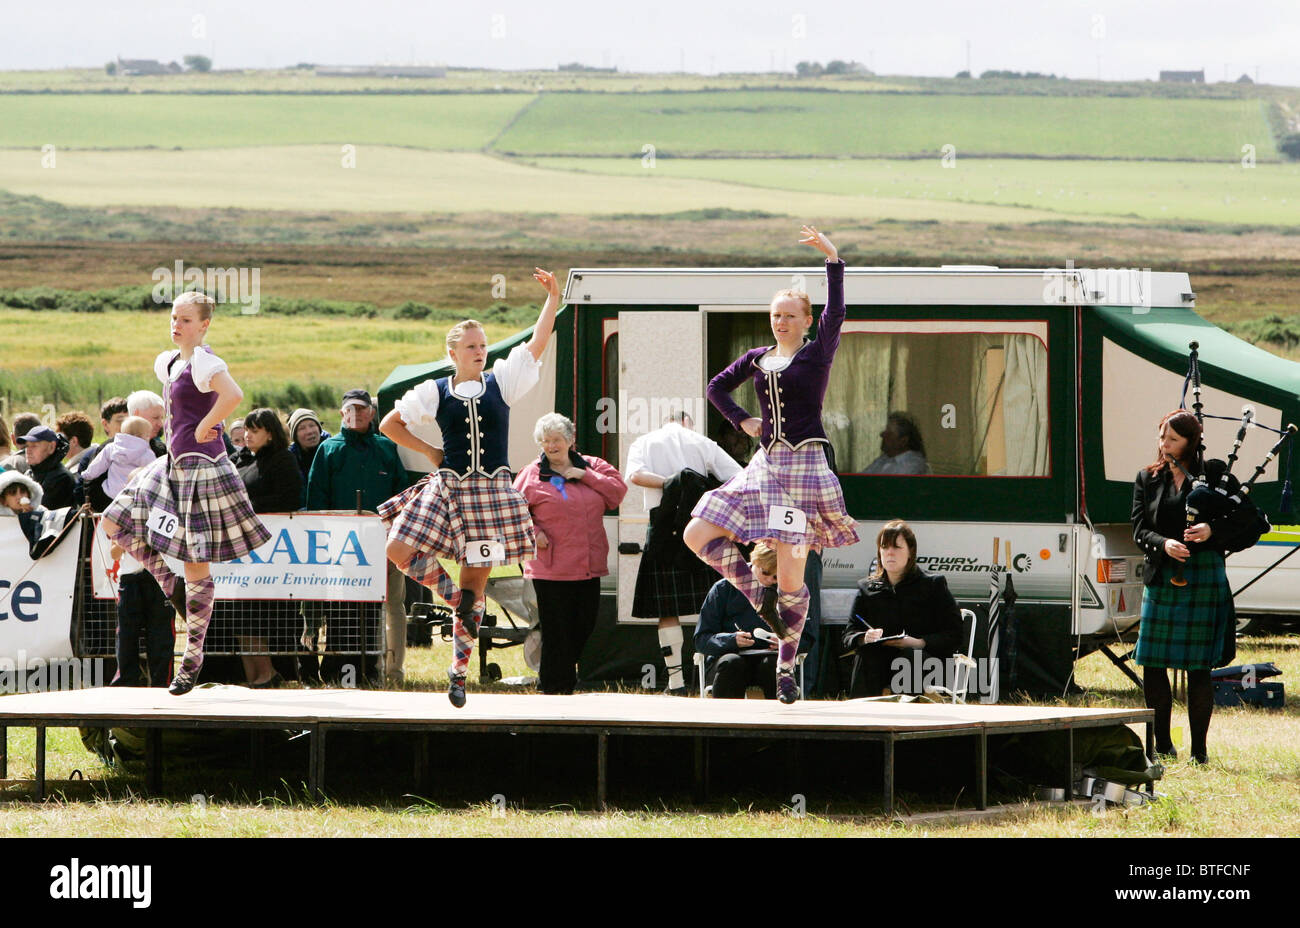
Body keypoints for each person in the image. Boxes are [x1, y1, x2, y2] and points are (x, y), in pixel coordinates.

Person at [684, 225, 860, 704]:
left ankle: (786, 671)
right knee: (697, 533)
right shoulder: (758, 359)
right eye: (775, 315)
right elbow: (715, 388)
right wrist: (742, 420)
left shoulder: (816, 353)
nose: (781, 322)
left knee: (791, 580)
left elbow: (838, 311)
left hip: (804, 469)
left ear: (805, 321)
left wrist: (833, 259)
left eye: (790, 315)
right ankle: (753, 595)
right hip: (765, 466)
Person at [379, 268, 560, 708]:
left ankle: (457, 674)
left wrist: (551, 300)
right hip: (448, 489)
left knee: (476, 586)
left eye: (482, 345)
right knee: (397, 549)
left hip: (492, 496)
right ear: (453, 352)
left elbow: (536, 346)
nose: (480, 351)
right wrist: (431, 452)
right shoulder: (435, 390)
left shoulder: (502, 380)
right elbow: (390, 424)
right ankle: (456, 598)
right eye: (472, 346)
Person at [100, 291, 272, 696]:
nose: (177, 325)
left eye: (187, 320)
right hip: (173, 465)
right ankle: (166, 580)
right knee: (112, 521)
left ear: (205, 324)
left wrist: (205, 425)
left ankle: (191, 661)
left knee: (197, 566)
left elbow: (233, 395)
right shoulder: (170, 361)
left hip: (202, 468)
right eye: (174, 318)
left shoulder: (206, 362)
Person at [1132, 409, 1263, 766]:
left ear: (1191, 442)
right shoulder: (1148, 478)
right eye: (1162, 437)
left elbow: (1251, 520)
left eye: (1172, 439)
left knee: (1198, 667)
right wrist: (1163, 544)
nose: (1164, 444)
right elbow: (1139, 529)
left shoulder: (1214, 475)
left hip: (1203, 573)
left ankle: (1199, 752)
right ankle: (1161, 745)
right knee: (1153, 665)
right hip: (1162, 576)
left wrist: (1211, 532)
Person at [626, 410, 742, 694]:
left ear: (665, 421)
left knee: (666, 609)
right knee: (711, 599)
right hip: (701, 526)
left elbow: (635, 476)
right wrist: (697, 487)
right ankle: (711, 676)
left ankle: (676, 682)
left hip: (662, 528)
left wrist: (670, 483)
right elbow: (738, 477)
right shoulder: (701, 442)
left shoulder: (645, 441)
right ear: (687, 423)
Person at [513, 413, 627, 694]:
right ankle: (555, 688)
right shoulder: (531, 474)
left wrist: (585, 476)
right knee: (556, 631)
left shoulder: (593, 466)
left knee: (584, 625)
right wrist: (534, 532)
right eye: (546, 441)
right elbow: (514, 512)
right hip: (550, 567)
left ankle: (559, 678)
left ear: (570, 441)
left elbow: (617, 493)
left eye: (557, 440)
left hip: (588, 564)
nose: (551, 446)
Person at [305, 389, 411, 686]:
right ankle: (349, 668)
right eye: (350, 409)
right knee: (343, 606)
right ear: (342, 414)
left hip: (385, 543)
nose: (356, 414)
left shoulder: (387, 448)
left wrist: (398, 533)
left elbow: (403, 494)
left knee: (392, 604)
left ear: (372, 413)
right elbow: (316, 498)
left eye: (362, 409)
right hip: (341, 547)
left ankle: (394, 671)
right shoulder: (328, 450)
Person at [841, 520, 962, 697]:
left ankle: (907, 717)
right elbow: (848, 634)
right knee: (866, 655)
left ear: (910, 552)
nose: (889, 553)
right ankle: (863, 716)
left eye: (897, 547)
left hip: (926, 661)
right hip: (882, 659)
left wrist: (920, 642)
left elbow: (955, 634)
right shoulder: (867, 588)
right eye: (884, 547)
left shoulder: (932, 585)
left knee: (911, 656)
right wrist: (864, 637)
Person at [229, 407, 303, 688]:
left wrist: (247, 509)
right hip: (241, 553)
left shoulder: (283, 460)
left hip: (272, 552)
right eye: (246, 429)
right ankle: (254, 677)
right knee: (240, 616)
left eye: (254, 430)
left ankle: (269, 674)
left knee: (259, 615)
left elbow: (288, 497)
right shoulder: (240, 460)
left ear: (270, 434)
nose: (247, 435)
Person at [694, 543, 781, 699]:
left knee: (772, 665)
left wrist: (786, 642)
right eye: (766, 573)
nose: (770, 580)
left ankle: (779, 721)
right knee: (732, 663)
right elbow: (701, 639)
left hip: (768, 658)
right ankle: (728, 722)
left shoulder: (786, 590)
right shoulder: (724, 588)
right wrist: (730, 640)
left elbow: (806, 635)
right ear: (755, 562)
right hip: (729, 657)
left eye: (776, 577)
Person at [79, 415, 156, 498]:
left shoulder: (112, 447)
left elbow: (98, 464)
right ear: (140, 436)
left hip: (111, 491)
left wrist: (87, 474)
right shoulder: (146, 453)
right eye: (147, 435)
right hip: (133, 493)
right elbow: (153, 473)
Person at [16, 425, 76, 510]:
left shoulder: (61, 478)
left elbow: (41, 514)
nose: (28, 450)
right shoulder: (29, 474)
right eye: (27, 446)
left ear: (51, 447)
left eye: (34, 446)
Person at [865, 412, 931, 475]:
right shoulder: (882, 460)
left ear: (903, 441)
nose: (882, 434)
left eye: (889, 433)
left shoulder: (913, 465)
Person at [287, 407, 329, 497]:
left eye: (312, 425)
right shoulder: (290, 459)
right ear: (295, 436)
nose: (309, 431)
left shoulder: (331, 451)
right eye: (302, 428)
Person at [126, 390, 168, 458]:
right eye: (155, 418)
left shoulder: (162, 451)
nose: (160, 424)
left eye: (162, 418)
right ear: (137, 415)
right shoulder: (114, 450)